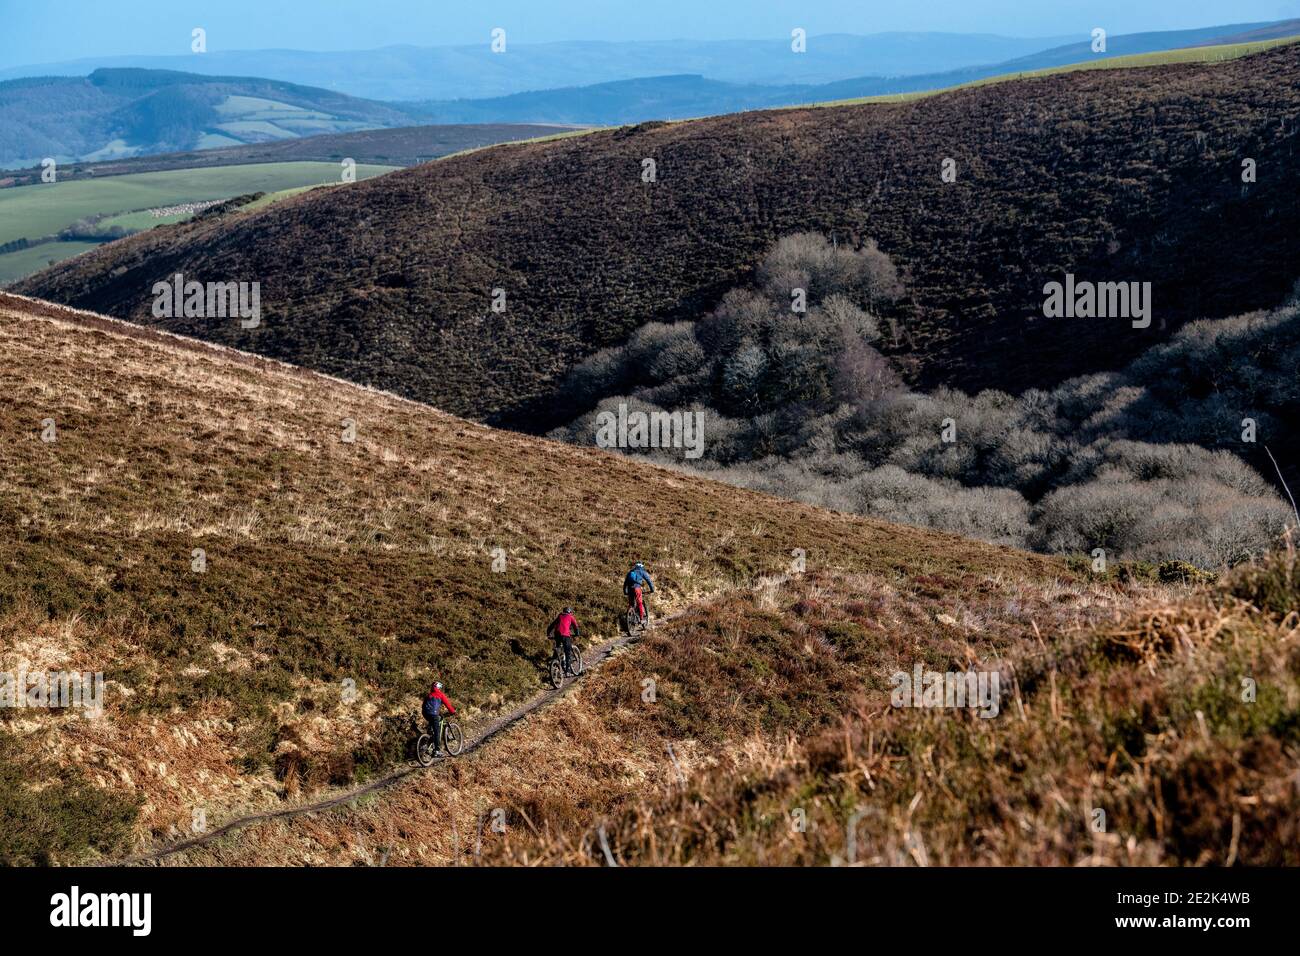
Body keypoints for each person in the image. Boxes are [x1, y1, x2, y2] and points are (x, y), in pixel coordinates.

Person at [421, 680, 456, 757]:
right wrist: (453, 711)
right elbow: (448, 704)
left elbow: (423, 706)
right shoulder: (440, 694)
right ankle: (436, 751)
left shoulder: (429, 695)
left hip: (425, 713)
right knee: (437, 732)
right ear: (438, 687)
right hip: (434, 714)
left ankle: (427, 741)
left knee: (432, 727)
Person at [547, 606, 581, 675]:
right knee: (567, 652)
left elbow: (552, 625)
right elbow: (575, 626)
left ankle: (556, 663)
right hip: (565, 635)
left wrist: (548, 633)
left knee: (558, 648)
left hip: (557, 635)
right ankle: (567, 671)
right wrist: (577, 634)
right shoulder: (571, 617)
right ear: (570, 612)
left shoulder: (560, 616)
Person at [623, 561, 655, 625]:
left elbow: (625, 583)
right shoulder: (642, 571)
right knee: (640, 603)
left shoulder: (630, 572)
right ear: (642, 566)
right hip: (637, 588)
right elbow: (649, 581)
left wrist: (625, 591)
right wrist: (652, 589)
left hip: (630, 589)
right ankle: (641, 619)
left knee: (631, 604)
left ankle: (630, 617)